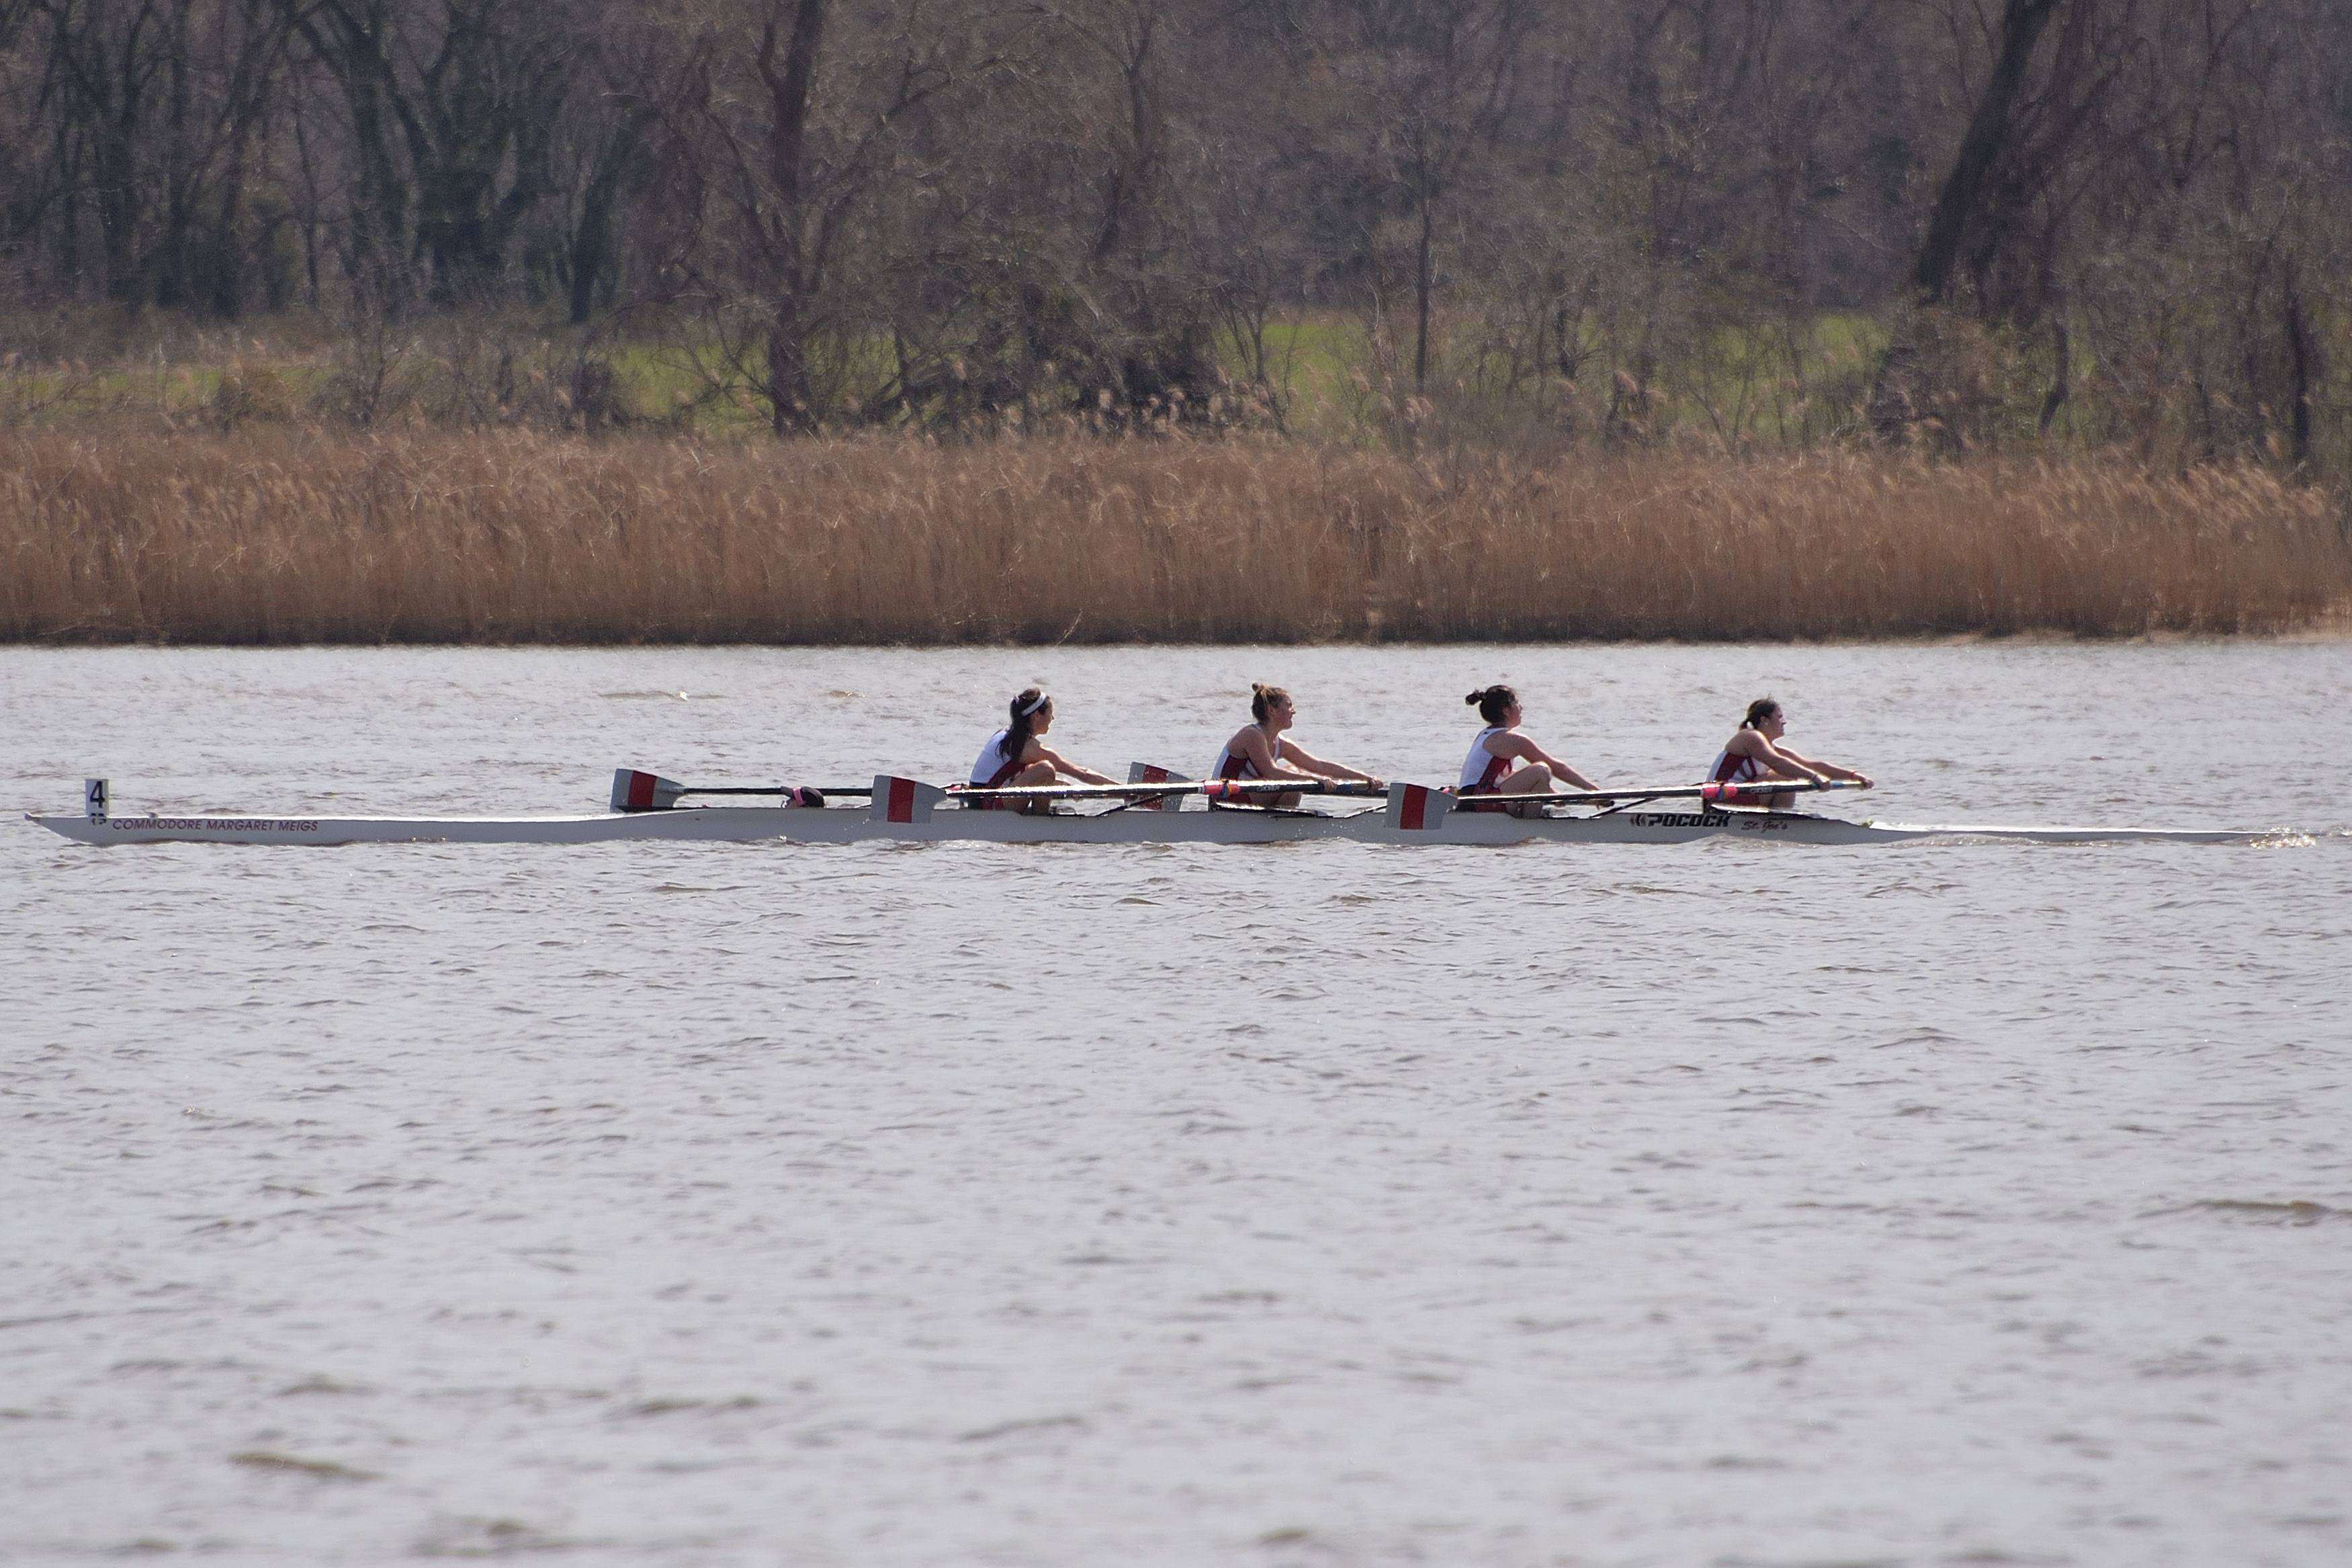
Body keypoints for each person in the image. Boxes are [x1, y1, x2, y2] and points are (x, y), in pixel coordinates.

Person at [1207, 683, 1383, 809]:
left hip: (1248, 798)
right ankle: (1279, 830)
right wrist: (1314, 781)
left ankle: (1277, 827)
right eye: (1289, 706)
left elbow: (1319, 766)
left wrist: (1364, 777)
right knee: (1294, 782)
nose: (1294, 711)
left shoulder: (1281, 743)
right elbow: (1272, 773)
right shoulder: (1251, 735)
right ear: (1272, 711)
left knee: (1295, 772)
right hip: (1225, 800)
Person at [1458, 684, 1600, 816]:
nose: (1521, 708)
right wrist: (1594, 791)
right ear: (1506, 711)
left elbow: (1505, 777)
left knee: (1537, 775)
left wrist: (1556, 797)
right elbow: (1557, 768)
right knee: (1541, 770)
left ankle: (1529, 835)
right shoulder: (1511, 739)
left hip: (1473, 801)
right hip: (1481, 803)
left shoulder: (1484, 735)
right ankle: (1530, 825)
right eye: (1516, 703)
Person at [966, 687, 1116, 812]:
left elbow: (1018, 776)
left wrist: (1063, 785)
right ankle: (1041, 821)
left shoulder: (1008, 734)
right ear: (1037, 716)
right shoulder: (1028, 747)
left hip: (980, 801)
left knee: (1041, 772)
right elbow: (1082, 773)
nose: (1053, 718)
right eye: (1050, 714)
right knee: (1046, 769)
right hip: (987, 805)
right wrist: (1125, 790)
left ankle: (1038, 821)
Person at [1706, 697, 1873, 808]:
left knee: (1793, 771)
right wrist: (1814, 778)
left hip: (1740, 799)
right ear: (1764, 721)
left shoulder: (1772, 748)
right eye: (1779, 717)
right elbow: (1778, 763)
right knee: (1786, 775)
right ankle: (1780, 823)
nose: (1784, 722)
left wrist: (1853, 775)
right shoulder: (1750, 737)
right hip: (1720, 800)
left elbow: (1813, 765)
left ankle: (1775, 822)